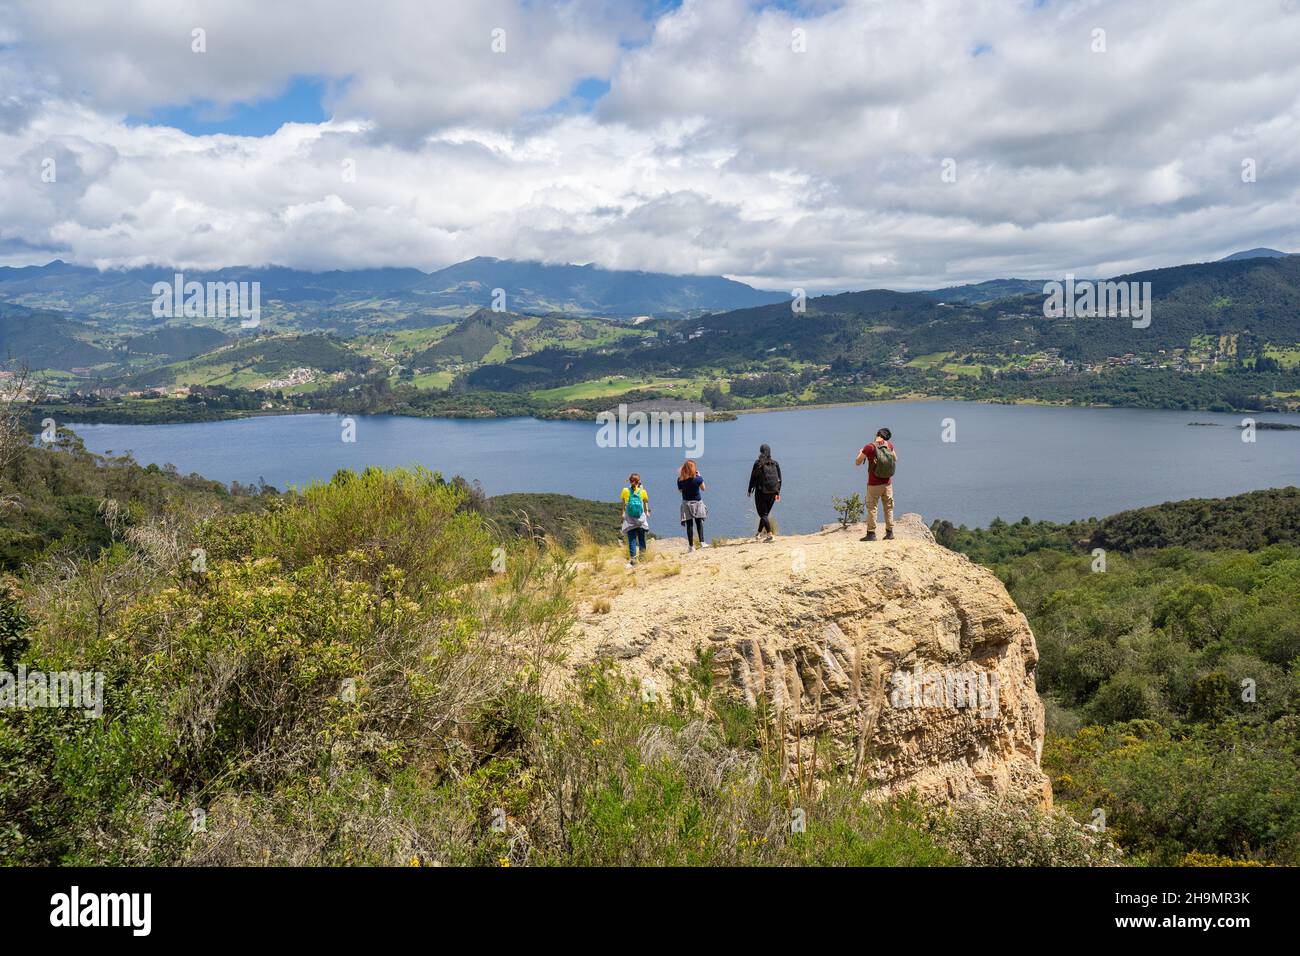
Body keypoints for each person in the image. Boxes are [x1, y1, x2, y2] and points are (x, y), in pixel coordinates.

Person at [854, 427, 896, 541]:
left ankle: (871, 534)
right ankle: (889, 533)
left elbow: (857, 462)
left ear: (877, 434)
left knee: (872, 508)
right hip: (887, 483)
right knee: (888, 508)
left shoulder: (869, 447)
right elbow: (895, 458)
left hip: (874, 484)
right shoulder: (889, 445)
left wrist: (861, 452)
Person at [746, 443, 781, 541]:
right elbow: (780, 479)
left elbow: (752, 477)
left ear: (761, 452)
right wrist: (778, 493)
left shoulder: (758, 463)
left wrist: (749, 490)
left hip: (761, 492)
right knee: (765, 514)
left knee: (763, 514)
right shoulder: (775, 463)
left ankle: (770, 535)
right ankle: (758, 533)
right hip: (773, 492)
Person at [620, 473, 650, 567]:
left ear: (629, 481)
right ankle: (643, 558)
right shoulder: (642, 491)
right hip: (641, 520)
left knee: (632, 540)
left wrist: (623, 513)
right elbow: (645, 503)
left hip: (630, 520)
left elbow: (624, 503)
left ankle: (633, 560)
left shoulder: (625, 490)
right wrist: (647, 512)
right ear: (639, 482)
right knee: (642, 540)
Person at [676, 459, 707, 551]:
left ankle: (691, 546)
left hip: (686, 503)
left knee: (689, 525)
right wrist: (700, 476)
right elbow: (703, 488)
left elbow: (680, 491)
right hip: (697, 502)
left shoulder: (680, 480)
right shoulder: (698, 479)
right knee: (699, 523)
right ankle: (702, 543)